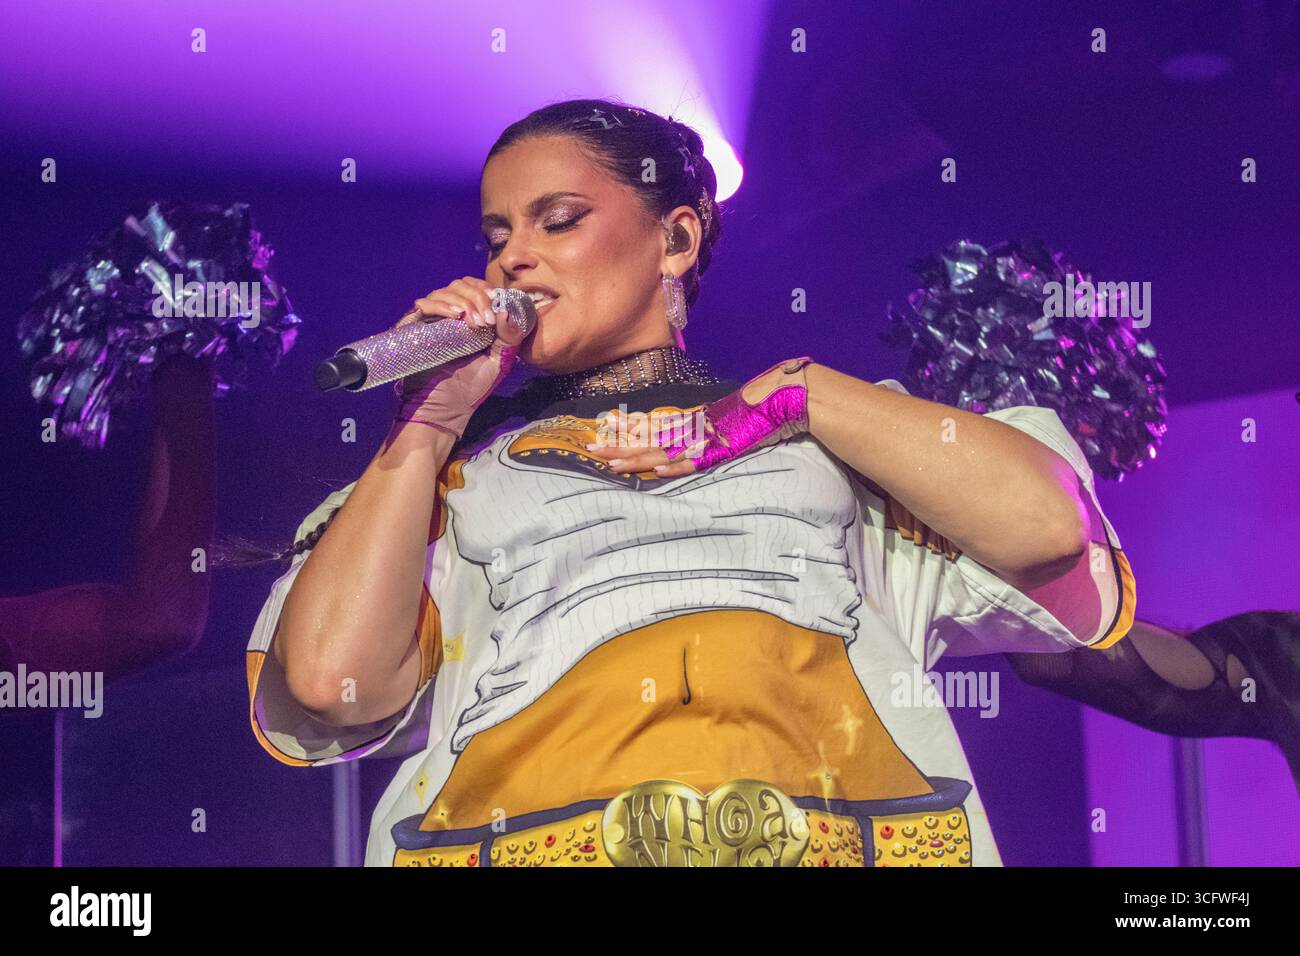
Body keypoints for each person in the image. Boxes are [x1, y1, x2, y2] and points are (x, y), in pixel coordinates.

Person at [244, 99, 1136, 867]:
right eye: (497, 236)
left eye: (556, 220)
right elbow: (330, 682)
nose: (513, 258)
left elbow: (1049, 527)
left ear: (674, 238)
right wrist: (426, 427)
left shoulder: (828, 439)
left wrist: (794, 394)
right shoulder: (455, 471)